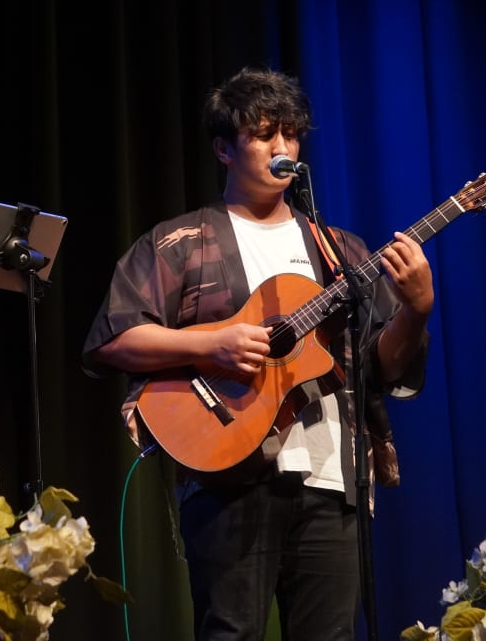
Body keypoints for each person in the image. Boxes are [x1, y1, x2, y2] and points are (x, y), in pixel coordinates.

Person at [82, 67, 433, 640]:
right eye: (264, 134)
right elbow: (112, 338)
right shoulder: (181, 242)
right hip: (229, 476)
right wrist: (211, 342)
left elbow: (381, 368)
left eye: (291, 134)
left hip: (330, 477)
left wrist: (416, 309)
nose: (282, 147)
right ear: (223, 149)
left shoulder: (339, 250)